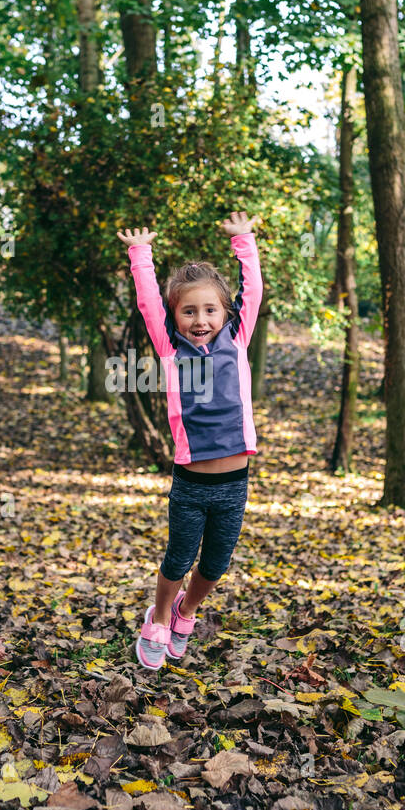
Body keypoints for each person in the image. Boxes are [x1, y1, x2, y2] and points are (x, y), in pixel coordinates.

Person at [116, 211, 263, 670]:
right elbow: (147, 304)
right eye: (189, 311)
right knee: (178, 561)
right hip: (191, 484)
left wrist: (244, 240)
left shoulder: (236, 341)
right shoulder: (171, 350)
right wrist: (140, 254)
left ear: (226, 313)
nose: (200, 319)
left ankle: (186, 612)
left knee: (215, 566)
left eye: (210, 310)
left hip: (235, 482)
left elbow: (252, 290)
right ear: (175, 316)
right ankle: (158, 617)